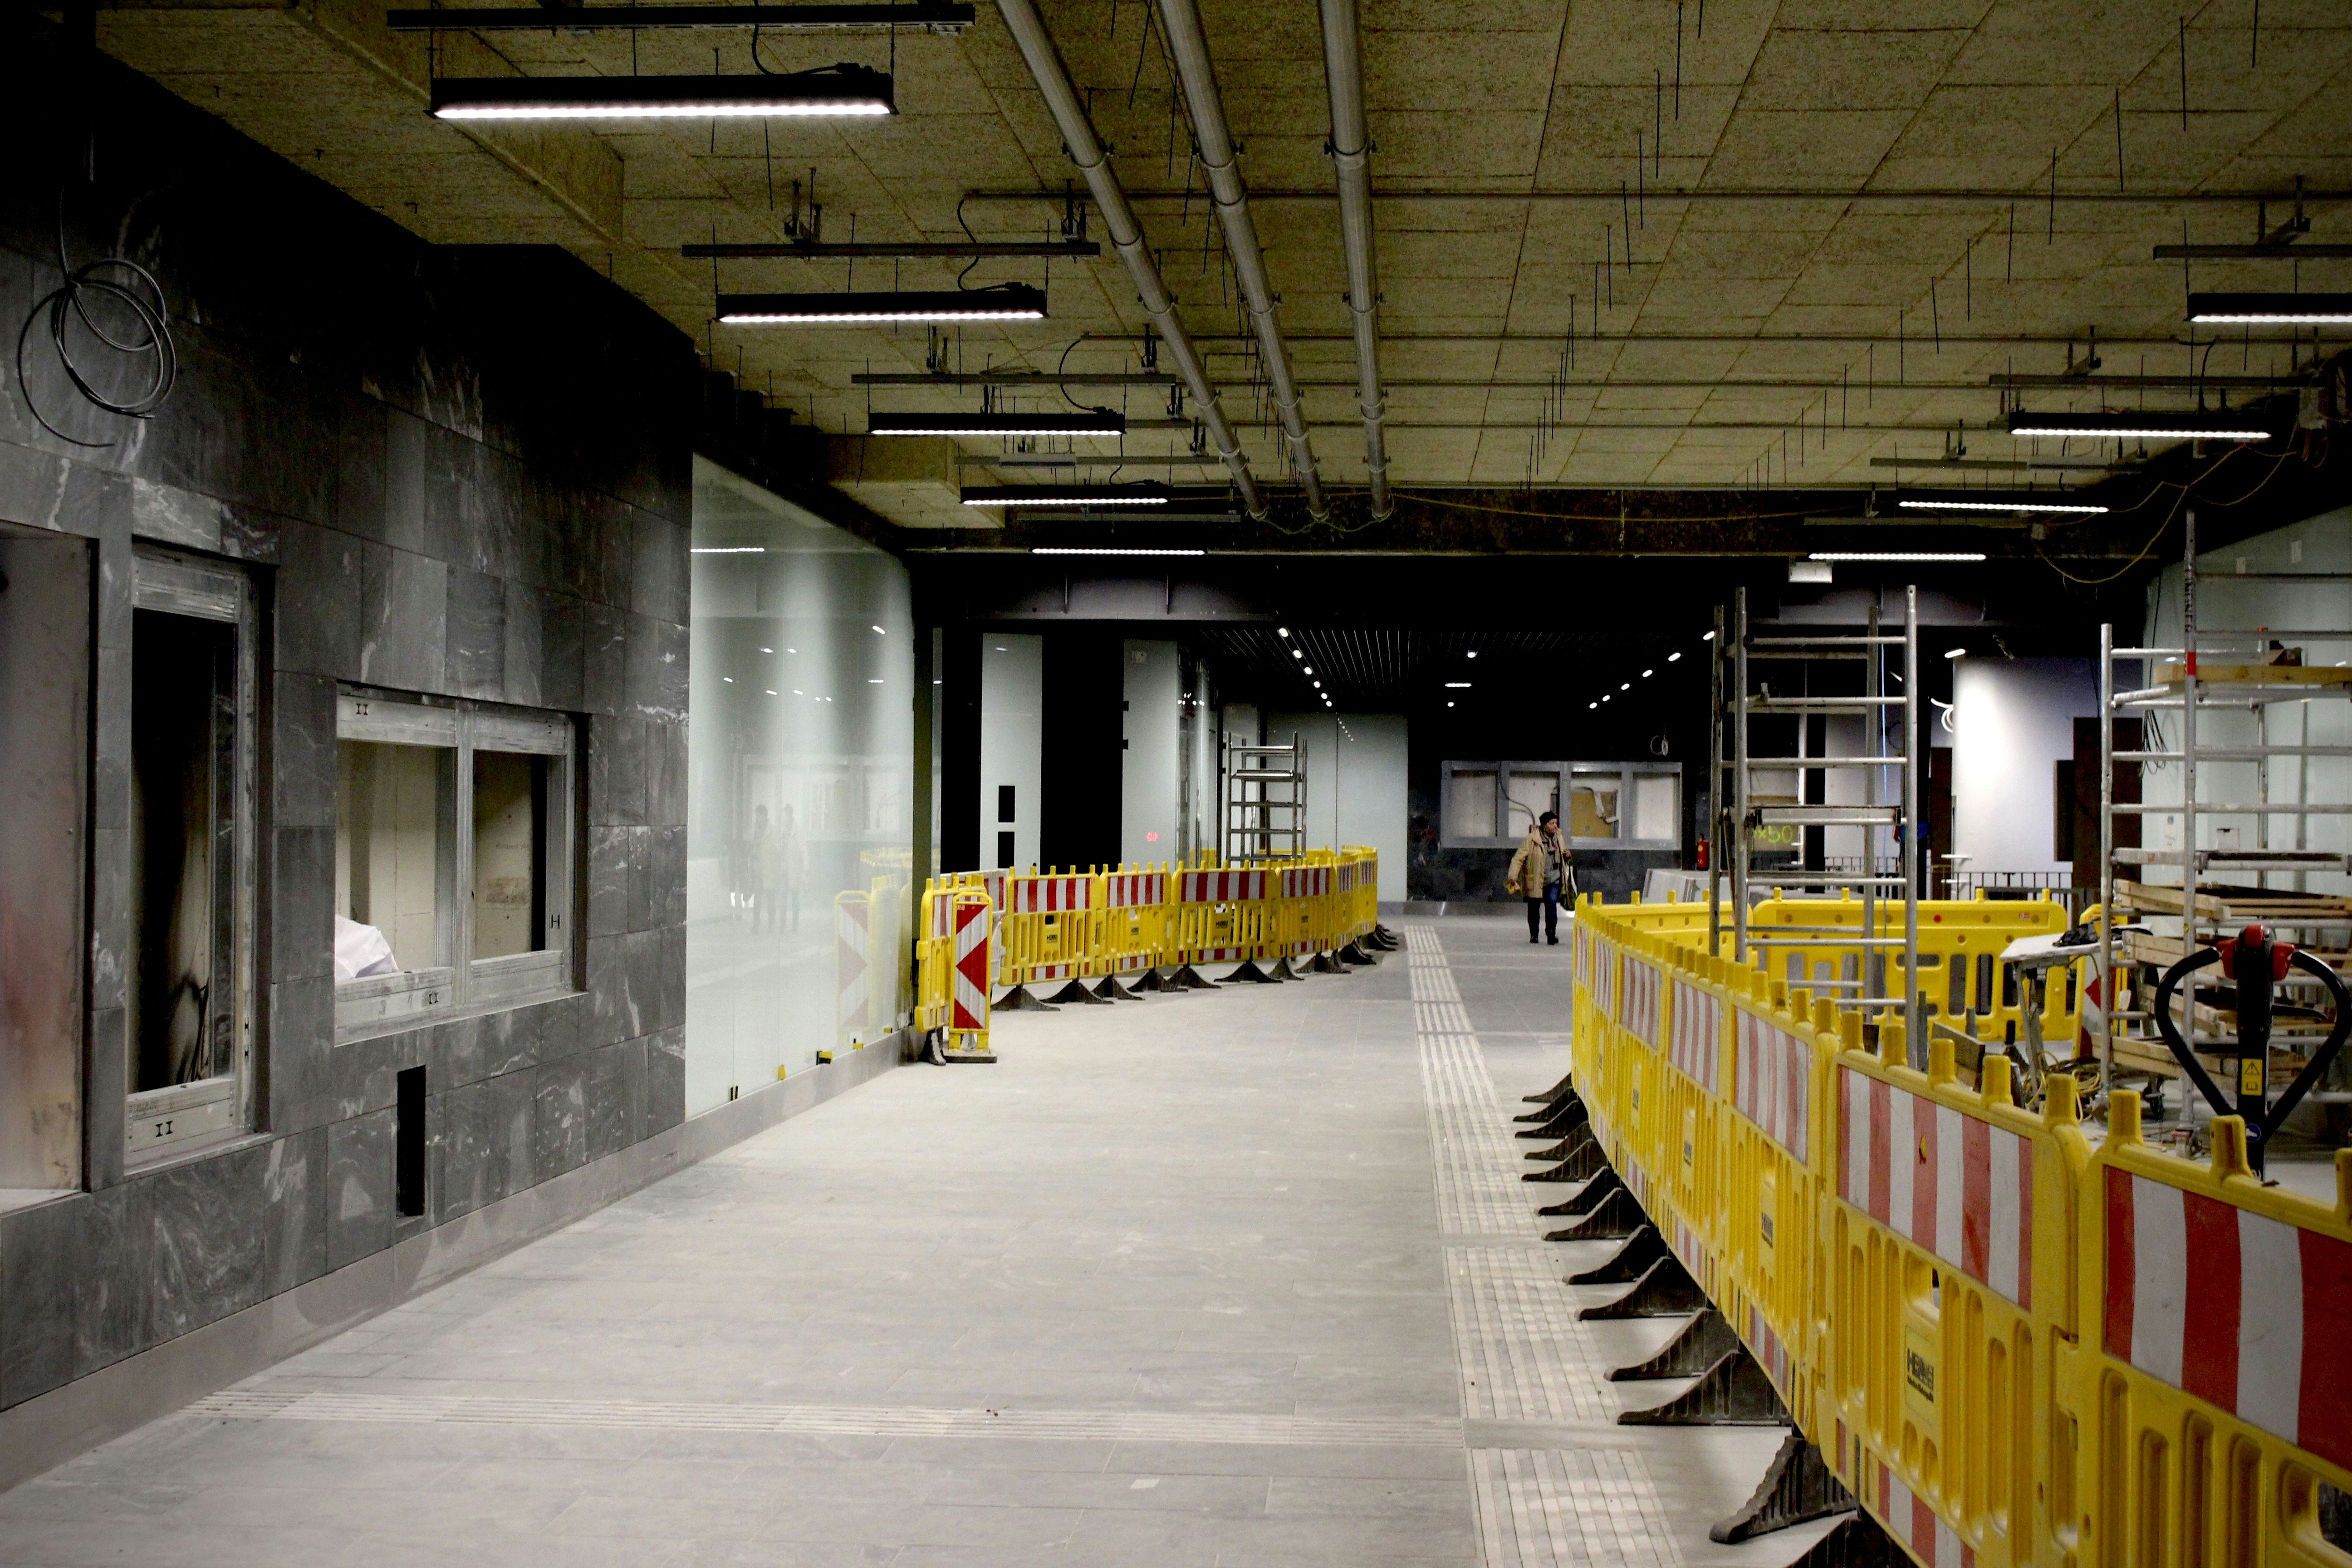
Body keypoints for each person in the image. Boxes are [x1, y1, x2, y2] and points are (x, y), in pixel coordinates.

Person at [1506, 809, 1575, 946]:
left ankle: (1551, 934)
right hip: (1535, 879)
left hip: (1554, 878)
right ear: (1544, 825)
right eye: (1552, 824)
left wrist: (1568, 856)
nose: (1555, 826)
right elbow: (1518, 858)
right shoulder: (1532, 839)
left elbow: (1562, 856)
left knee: (1551, 905)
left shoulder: (1559, 838)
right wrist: (1512, 877)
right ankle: (1534, 934)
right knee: (1534, 908)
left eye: (1556, 823)